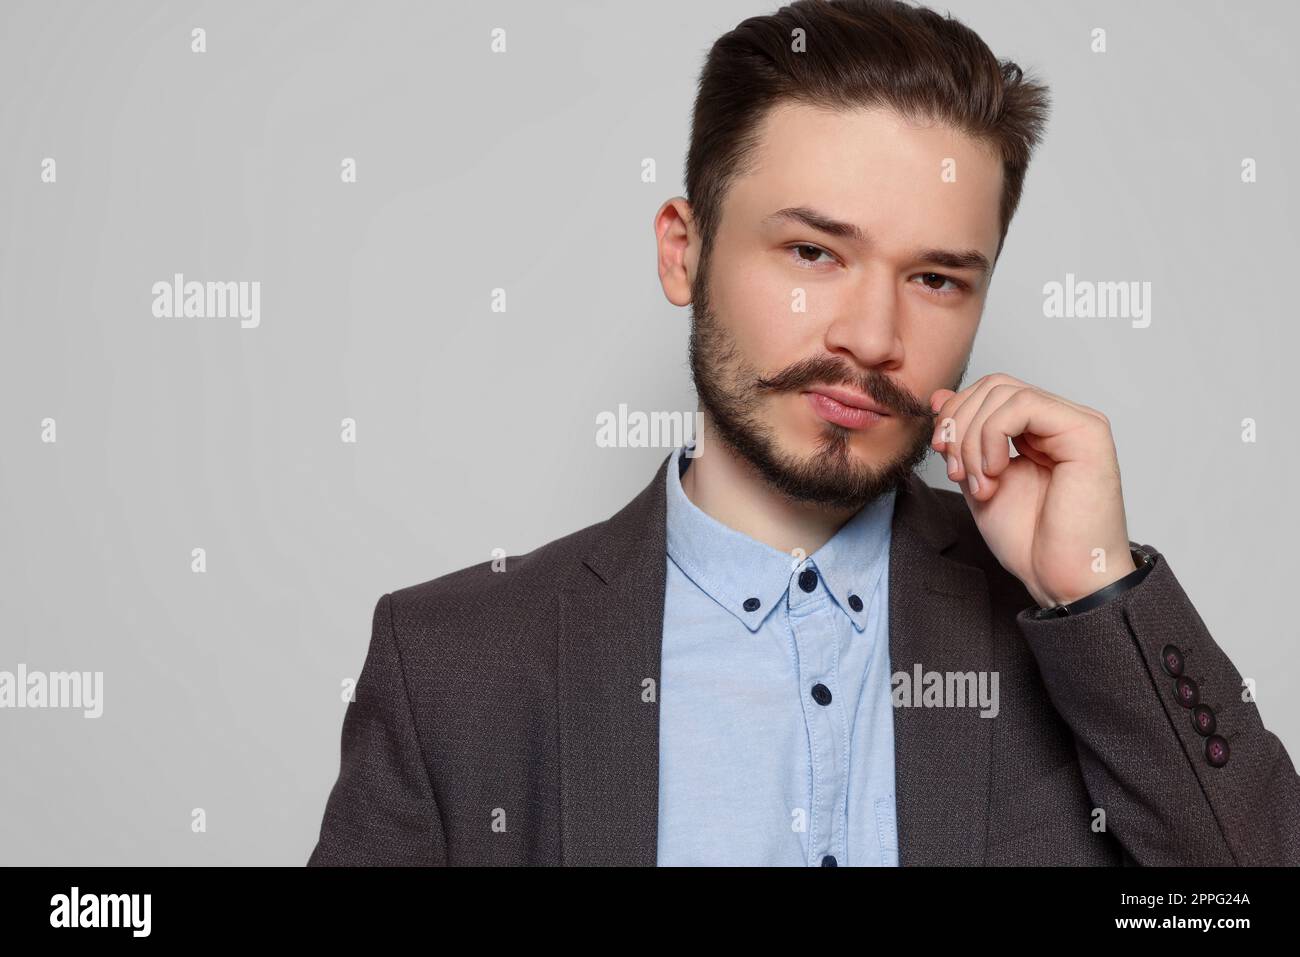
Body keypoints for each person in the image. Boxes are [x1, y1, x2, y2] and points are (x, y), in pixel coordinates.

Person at [307, 0, 1300, 866]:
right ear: (683, 253)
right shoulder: (451, 667)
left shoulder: (1071, 640)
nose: (871, 340)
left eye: (935, 278)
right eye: (813, 251)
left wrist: (1096, 591)